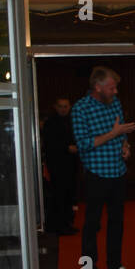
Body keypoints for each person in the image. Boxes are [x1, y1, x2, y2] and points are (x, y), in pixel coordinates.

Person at [71, 66, 135, 269]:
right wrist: (115, 133)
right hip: (95, 173)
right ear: (98, 87)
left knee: (117, 222)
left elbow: (120, 135)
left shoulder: (115, 104)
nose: (115, 92)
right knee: (91, 224)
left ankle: (115, 267)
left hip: (118, 171)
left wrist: (125, 146)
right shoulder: (81, 108)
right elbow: (83, 145)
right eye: (112, 88)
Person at [42, 97, 78, 235]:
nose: (63, 109)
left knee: (69, 194)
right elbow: (50, 144)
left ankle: (67, 223)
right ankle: (57, 225)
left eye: (66, 106)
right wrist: (66, 148)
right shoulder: (50, 123)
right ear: (55, 107)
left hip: (70, 164)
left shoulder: (72, 122)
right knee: (58, 195)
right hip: (57, 165)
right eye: (61, 106)